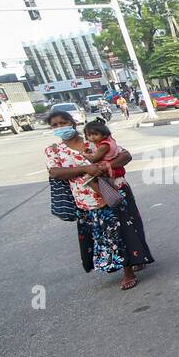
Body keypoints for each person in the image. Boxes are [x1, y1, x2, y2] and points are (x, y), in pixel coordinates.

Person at [44, 107, 153, 290]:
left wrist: (104, 166)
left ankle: (129, 270)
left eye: (63, 123)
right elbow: (55, 172)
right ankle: (128, 263)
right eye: (55, 125)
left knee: (125, 230)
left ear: (73, 123)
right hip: (87, 200)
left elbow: (125, 155)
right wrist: (85, 169)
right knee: (107, 235)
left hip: (115, 190)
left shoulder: (94, 139)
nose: (60, 127)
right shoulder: (54, 150)